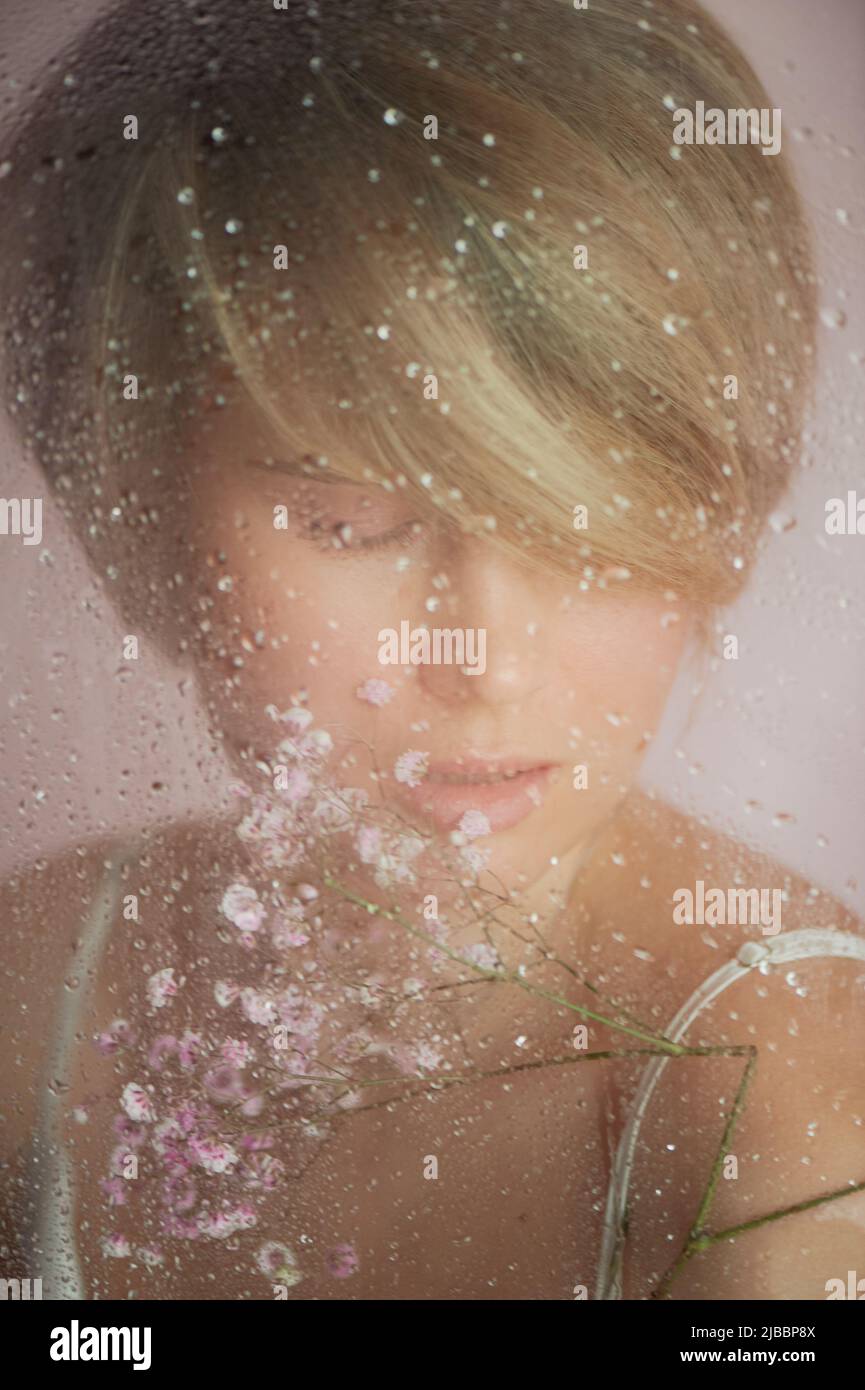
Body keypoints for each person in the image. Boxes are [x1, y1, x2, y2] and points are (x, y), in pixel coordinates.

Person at [0, 0, 862, 1301]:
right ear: (143, 519)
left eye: (589, 526)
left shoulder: (797, 1109)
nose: (488, 663)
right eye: (350, 522)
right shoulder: (39, 971)